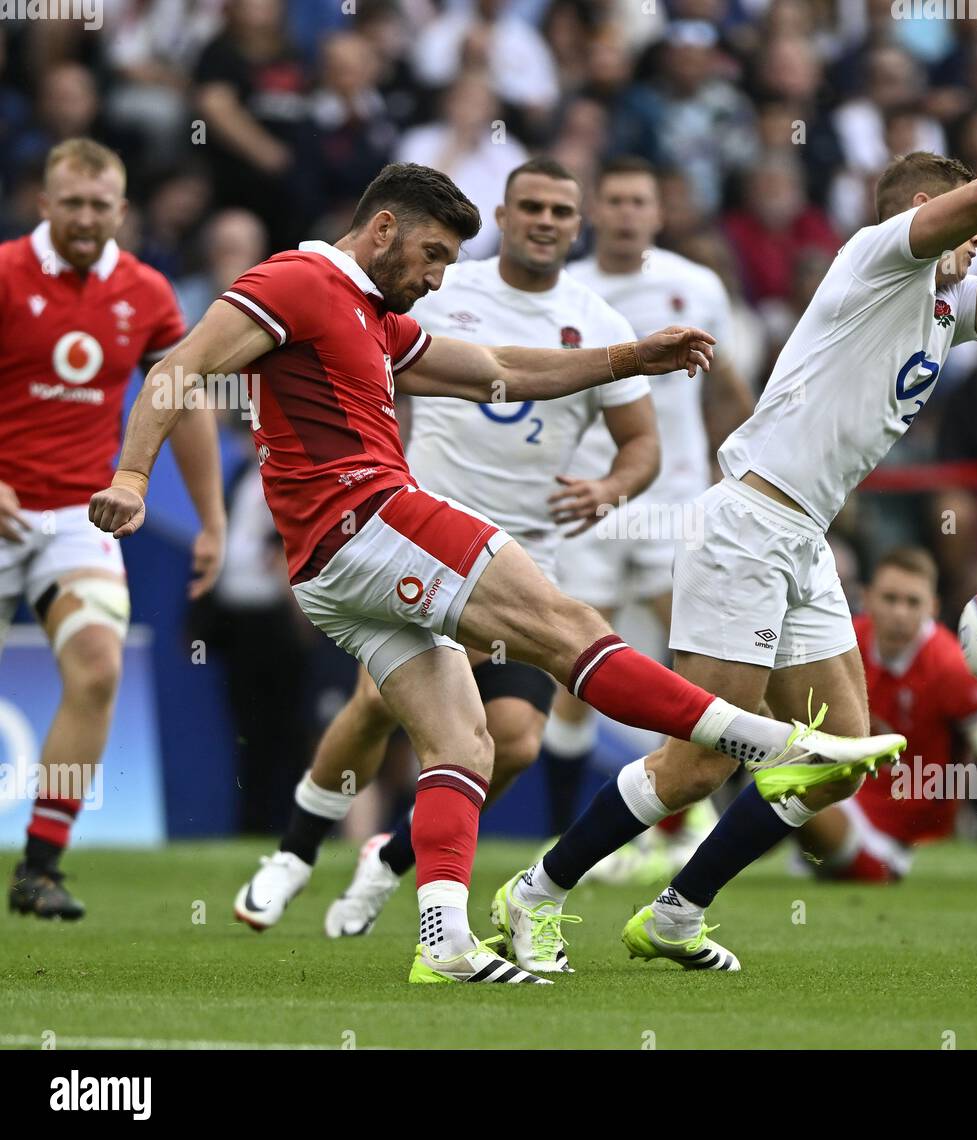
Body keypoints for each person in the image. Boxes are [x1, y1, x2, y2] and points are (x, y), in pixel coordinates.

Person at [88, 162, 894, 985]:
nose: (437, 278)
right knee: (572, 631)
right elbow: (179, 368)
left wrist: (625, 361)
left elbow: (496, 370)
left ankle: (441, 944)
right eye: (431, 256)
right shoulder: (298, 279)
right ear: (383, 230)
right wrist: (131, 476)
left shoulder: (376, 318)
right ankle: (776, 743)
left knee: (465, 745)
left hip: (329, 567)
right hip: (372, 517)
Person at [496, 89, 977, 975]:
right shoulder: (876, 262)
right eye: (964, 222)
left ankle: (677, 912)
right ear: (922, 214)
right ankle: (537, 892)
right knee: (701, 763)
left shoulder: (943, 312)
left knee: (839, 761)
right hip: (748, 522)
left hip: (803, 539)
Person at [230, 156, 659, 942]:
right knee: (373, 708)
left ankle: (393, 858)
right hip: (413, 533)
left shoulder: (601, 322)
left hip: (526, 551)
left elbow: (641, 446)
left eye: (562, 211)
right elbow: (358, 363)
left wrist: (610, 489)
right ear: (503, 213)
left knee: (515, 741)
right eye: (530, 206)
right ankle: (293, 854)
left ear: (577, 223)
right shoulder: (437, 282)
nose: (545, 221)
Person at [3, 139, 224, 920]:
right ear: (44, 203)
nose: (87, 217)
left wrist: (211, 518)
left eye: (101, 204)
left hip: (76, 513)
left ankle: (39, 867)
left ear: (122, 211)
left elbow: (183, 398)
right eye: (73, 202)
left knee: (97, 667)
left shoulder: (144, 290)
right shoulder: (4, 273)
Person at [542, 155, 753, 836]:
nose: (629, 213)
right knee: (576, 673)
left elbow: (726, 392)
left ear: (659, 214)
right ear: (595, 212)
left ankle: (702, 824)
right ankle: (563, 828)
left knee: (699, 665)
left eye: (641, 201)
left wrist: (746, 479)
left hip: (680, 502)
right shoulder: (564, 291)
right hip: (590, 506)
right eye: (616, 200)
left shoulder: (696, 286)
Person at [797, 548, 977, 887]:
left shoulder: (953, 668)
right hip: (837, 792)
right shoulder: (843, 643)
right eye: (890, 599)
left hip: (886, 836)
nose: (900, 613)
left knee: (782, 780)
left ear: (933, 608)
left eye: (913, 602)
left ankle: (710, 837)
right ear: (867, 598)